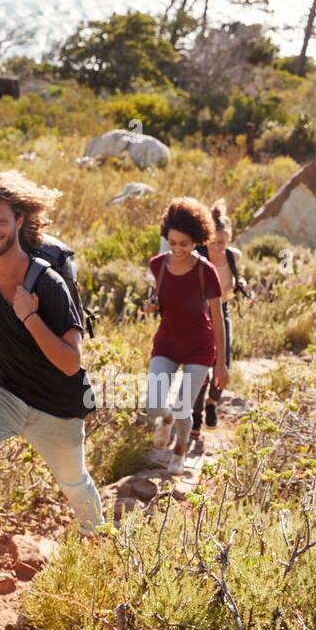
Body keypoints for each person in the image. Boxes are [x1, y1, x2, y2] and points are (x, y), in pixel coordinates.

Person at [0, 171, 104, 590]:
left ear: (20, 222)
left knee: (74, 484)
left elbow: (70, 363)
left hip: (57, 407)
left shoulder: (47, 283)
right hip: (4, 393)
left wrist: (29, 316)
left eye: (1, 222)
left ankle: (100, 552)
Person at [143, 197, 229, 474]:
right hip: (166, 342)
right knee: (154, 405)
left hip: (199, 348)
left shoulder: (207, 272)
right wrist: (151, 306)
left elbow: (217, 319)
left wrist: (221, 363)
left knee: (184, 408)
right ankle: (165, 420)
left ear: (196, 241)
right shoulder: (157, 265)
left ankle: (180, 450)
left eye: (184, 244)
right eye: (172, 243)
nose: (177, 249)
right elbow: (158, 300)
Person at [190, 199, 246, 438]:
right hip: (201, 313)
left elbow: (234, 278)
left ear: (229, 238)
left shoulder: (233, 257)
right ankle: (196, 416)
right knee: (201, 364)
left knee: (224, 361)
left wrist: (240, 283)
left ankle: (213, 402)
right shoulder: (196, 258)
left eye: (222, 242)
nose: (218, 247)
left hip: (222, 310)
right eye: (214, 243)